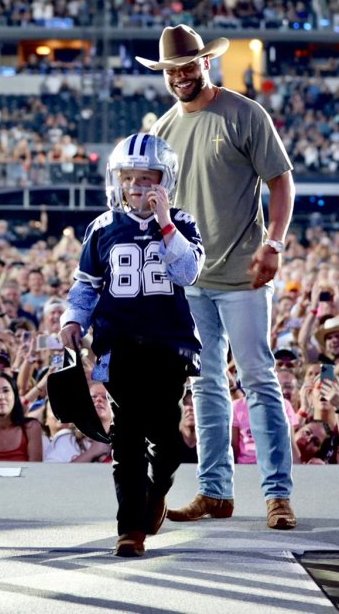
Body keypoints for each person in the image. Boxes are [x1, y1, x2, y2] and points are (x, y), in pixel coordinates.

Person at [146, 24, 298, 530]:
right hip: (189, 282)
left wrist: (273, 243)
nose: (181, 76)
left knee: (258, 379)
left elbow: (281, 181)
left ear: (205, 63)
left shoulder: (244, 114)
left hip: (243, 274)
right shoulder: (164, 131)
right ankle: (215, 492)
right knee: (205, 385)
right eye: (172, 70)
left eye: (188, 66)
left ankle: (278, 494)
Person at [59, 132, 205, 557]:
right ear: (117, 181)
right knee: (126, 441)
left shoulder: (183, 222)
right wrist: (74, 319)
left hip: (170, 347)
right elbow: (86, 286)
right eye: (130, 178)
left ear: (166, 181)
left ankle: (155, 492)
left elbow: (188, 273)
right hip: (119, 345)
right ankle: (130, 528)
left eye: (148, 178)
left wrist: (165, 225)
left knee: (169, 444)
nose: (139, 187)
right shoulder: (103, 226)